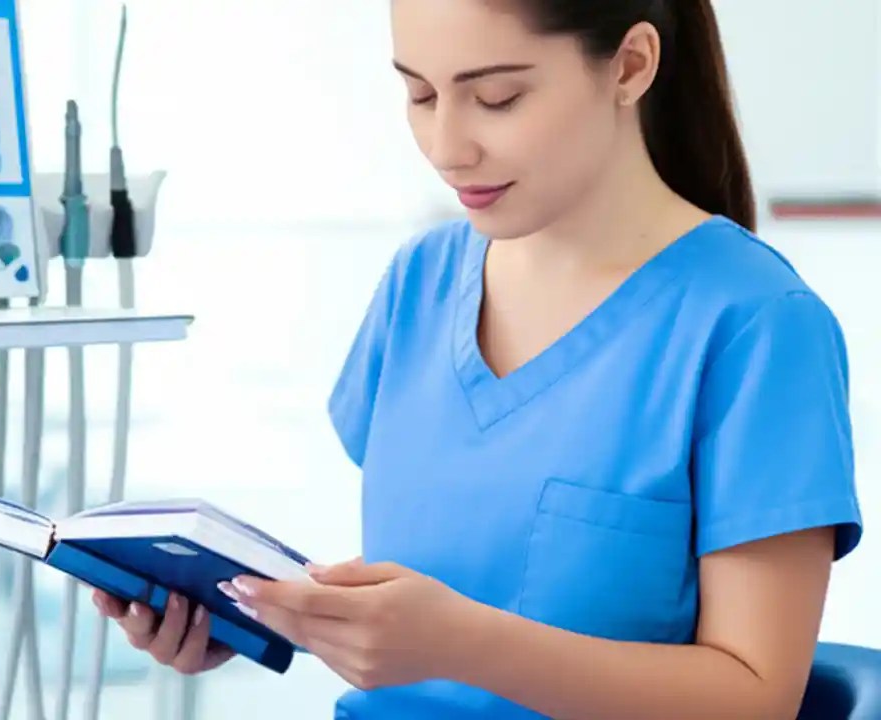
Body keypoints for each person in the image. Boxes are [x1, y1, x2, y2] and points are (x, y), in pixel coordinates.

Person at [92, 0, 866, 717]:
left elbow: (754, 698)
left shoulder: (755, 326)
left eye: (497, 98)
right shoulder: (419, 283)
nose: (446, 147)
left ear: (629, 66)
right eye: (420, 96)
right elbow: (469, 565)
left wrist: (463, 644)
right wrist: (259, 614)